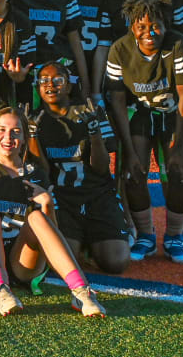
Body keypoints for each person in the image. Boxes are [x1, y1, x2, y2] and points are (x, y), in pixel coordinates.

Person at [0, 108, 106, 317]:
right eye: (2, 130)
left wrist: (48, 205)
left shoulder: (37, 174)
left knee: (37, 216)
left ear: (24, 138)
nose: (8, 137)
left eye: (16, 131)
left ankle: (81, 292)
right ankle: (1, 289)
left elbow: (50, 236)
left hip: (21, 262)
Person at [105, 0, 183, 265]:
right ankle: (146, 235)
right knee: (133, 172)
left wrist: (180, 147)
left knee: (179, 171)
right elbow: (118, 102)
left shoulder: (178, 43)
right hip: (141, 115)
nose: (149, 32)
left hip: (175, 116)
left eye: (155, 25)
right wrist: (129, 153)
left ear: (165, 24)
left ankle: (174, 236)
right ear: (132, 27)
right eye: (141, 26)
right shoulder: (120, 50)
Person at [28, 61, 129, 274]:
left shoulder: (90, 111)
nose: (51, 85)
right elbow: (43, 173)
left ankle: (93, 240)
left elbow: (101, 169)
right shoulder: (37, 119)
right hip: (62, 199)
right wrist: (33, 137)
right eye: (44, 81)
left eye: (58, 80)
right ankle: (83, 242)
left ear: (69, 86)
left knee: (116, 263)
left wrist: (94, 135)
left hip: (97, 194)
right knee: (64, 262)